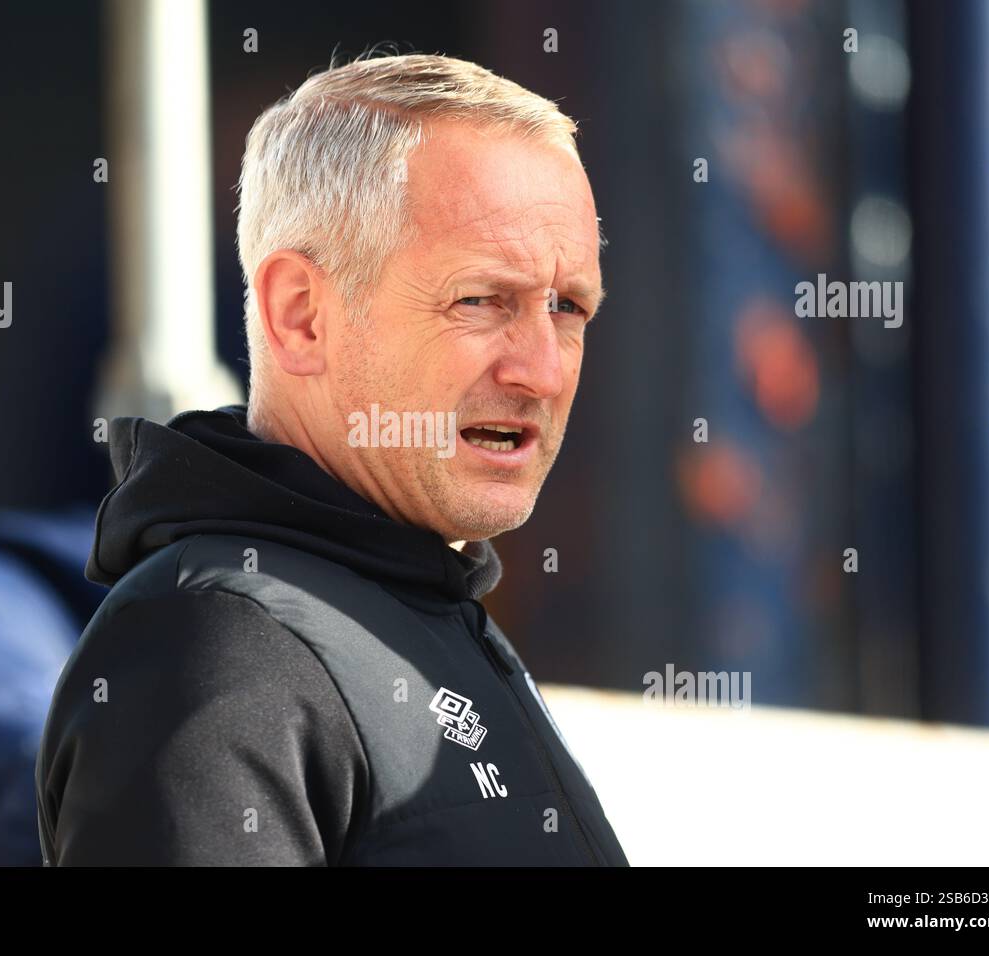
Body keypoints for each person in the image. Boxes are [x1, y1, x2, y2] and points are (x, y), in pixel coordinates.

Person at [36, 52, 627, 866]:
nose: (544, 369)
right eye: (481, 300)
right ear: (302, 316)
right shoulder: (218, 648)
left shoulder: (417, 609)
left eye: (567, 307)